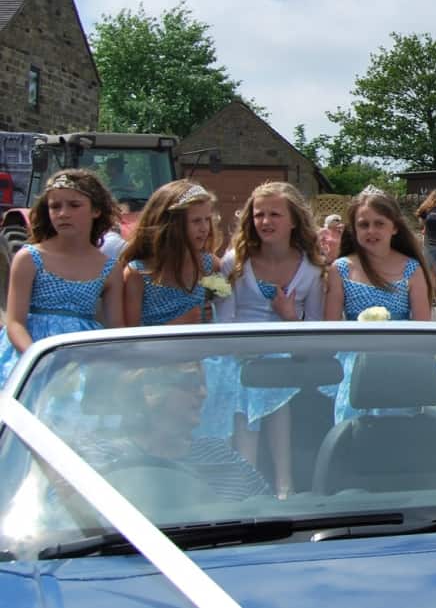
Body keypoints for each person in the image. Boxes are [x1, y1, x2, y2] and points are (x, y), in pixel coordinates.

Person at [216, 181, 325, 498]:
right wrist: (246, 350)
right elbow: (225, 320)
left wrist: (291, 316)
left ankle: (283, 482)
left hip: (288, 357)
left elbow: (317, 327)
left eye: (275, 214)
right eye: (259, 214)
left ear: (293, 220)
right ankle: (247, 478)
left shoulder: (312, 269)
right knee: (250, 381)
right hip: (239, 356)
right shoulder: (235, 263)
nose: (265, 222)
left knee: (273, 375)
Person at [324, 188, 436, 422]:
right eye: (363, 225)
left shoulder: (412, 269)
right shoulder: (340, 269)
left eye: (379, 223)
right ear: (354, 229)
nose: (371, 231)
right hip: (356, 365)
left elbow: (422, 329)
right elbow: (331, 330)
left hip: (402, 361)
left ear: (394, 227)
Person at [77, 361, 272, 502]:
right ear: (151, 392)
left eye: (204, 384)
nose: (203, 393)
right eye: (192, 383)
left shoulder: (218, 454)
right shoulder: (102, 457)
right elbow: (63, 517)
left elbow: (266, 508)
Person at [1, 171, 122, 381]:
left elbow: (117, 328)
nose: (63, 213)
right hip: (30, 356)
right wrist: (37, 359)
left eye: (74, 205)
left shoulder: (110, 268)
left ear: (96, 210)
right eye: (55, 206)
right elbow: (15, 323)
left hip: (82, 358)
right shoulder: (29, 258)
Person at [121, 180, 221, 328]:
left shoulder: (208, 265)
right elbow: (130, 337)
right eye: (196, 221)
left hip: (200, 349)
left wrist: (212, 310)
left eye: (207, 219)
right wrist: (179, 323)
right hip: (157, 350)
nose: (205, 228)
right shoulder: (137, 273)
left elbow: (228, 297)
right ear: (170, 225)